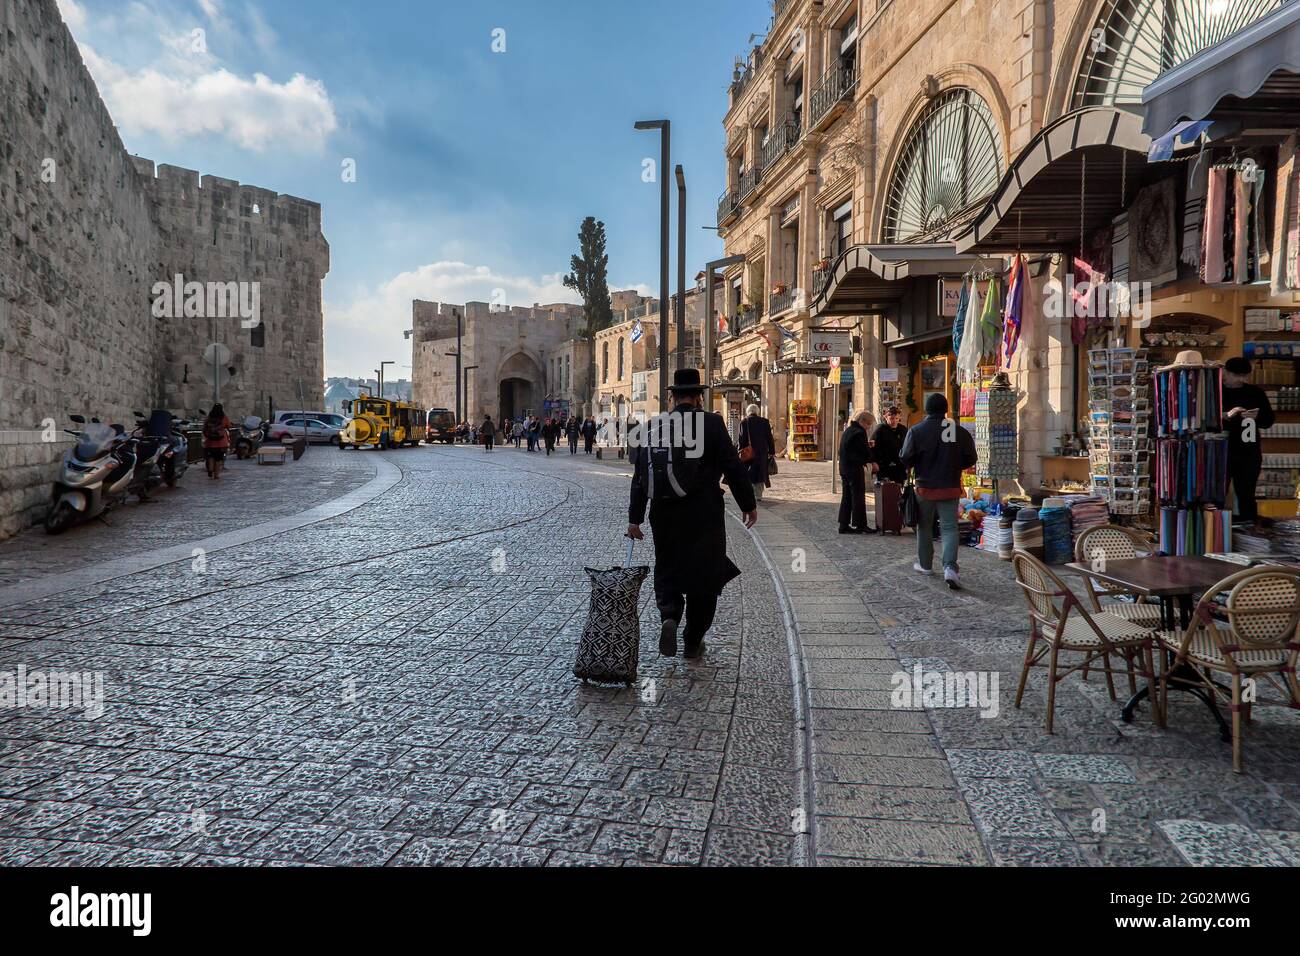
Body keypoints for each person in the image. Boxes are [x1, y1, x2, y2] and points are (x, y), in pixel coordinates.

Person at [628, 368, 757, 659]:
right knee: (704, 577)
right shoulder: (711, 424)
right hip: (704, 513)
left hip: (664, 513)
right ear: (699, 397)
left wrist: (634, 518)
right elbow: (733, 467)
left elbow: (640, 475)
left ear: (672, 397)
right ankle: (692, 640)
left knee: (668, 567)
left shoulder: (654, 425)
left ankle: (670, 616)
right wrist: (748, 503)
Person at [900, 392, 978, 589]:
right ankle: (950, 567)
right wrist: (953, 465)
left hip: (925, 487)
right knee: (949, 527)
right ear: (945, 410)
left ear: (926, 409)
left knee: (924, 526)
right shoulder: (956, 430)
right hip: (950, 486)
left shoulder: (917, 431)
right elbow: (971, 458)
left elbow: (906, 457)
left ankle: (925, 565)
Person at [1223, 356, 1275, 525]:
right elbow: (1205, 420)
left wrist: (1257, 417)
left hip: (1249, 451)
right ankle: (1217, 532)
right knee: (1217, 494)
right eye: (1236, 375)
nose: (1240, 380)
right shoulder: (1216, 392)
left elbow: (1269, 421)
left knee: (1247, 494)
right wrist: (1227, 415)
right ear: (1226, 373)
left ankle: (1250, 532)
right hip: (1222, 450)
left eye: (1244, 376)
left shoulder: (1255, 392)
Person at [838, 410, 875, 534]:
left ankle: (843, 524)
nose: (869, 427)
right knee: (858, 496)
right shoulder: (859, 432)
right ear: (862, 421)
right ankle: (861, 524)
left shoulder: (848, 430)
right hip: (854, 468)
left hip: (844, 467)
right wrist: (870, 456)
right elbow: (864, 452)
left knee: (847, 496)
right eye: (868, 424)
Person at [737, 404, 775, 503]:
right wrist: (771, 451)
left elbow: (741, 439)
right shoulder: (764, 422)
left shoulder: (744, 422)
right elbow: (769, 438)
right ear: (757, 411)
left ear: (748, 412)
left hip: (748, 453)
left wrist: (740, 451)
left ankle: (751, 493)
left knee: (749, 473)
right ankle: (758, 495)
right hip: (761, 453)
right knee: (760, 473)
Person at [870, 405, 908, 484]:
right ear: (886, 417)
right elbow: (872, 447)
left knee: (899, 489)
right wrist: (873, 461)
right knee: (886, 490)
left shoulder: (903, 429)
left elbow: (907, 446)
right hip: (884, 465)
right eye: (891, 418)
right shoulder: (880, 429)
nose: (894, 421)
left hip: (899, 466)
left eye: (896, 418)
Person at [202, 403, 232, 480]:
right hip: (221, 441)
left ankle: (211, 470)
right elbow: (228, 425)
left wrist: (207, 435)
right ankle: (216, 475)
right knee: (218, 458)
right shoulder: (223, 417)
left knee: (211, 456)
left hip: (210, 441)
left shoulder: (209, 417)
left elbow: (204, 427)